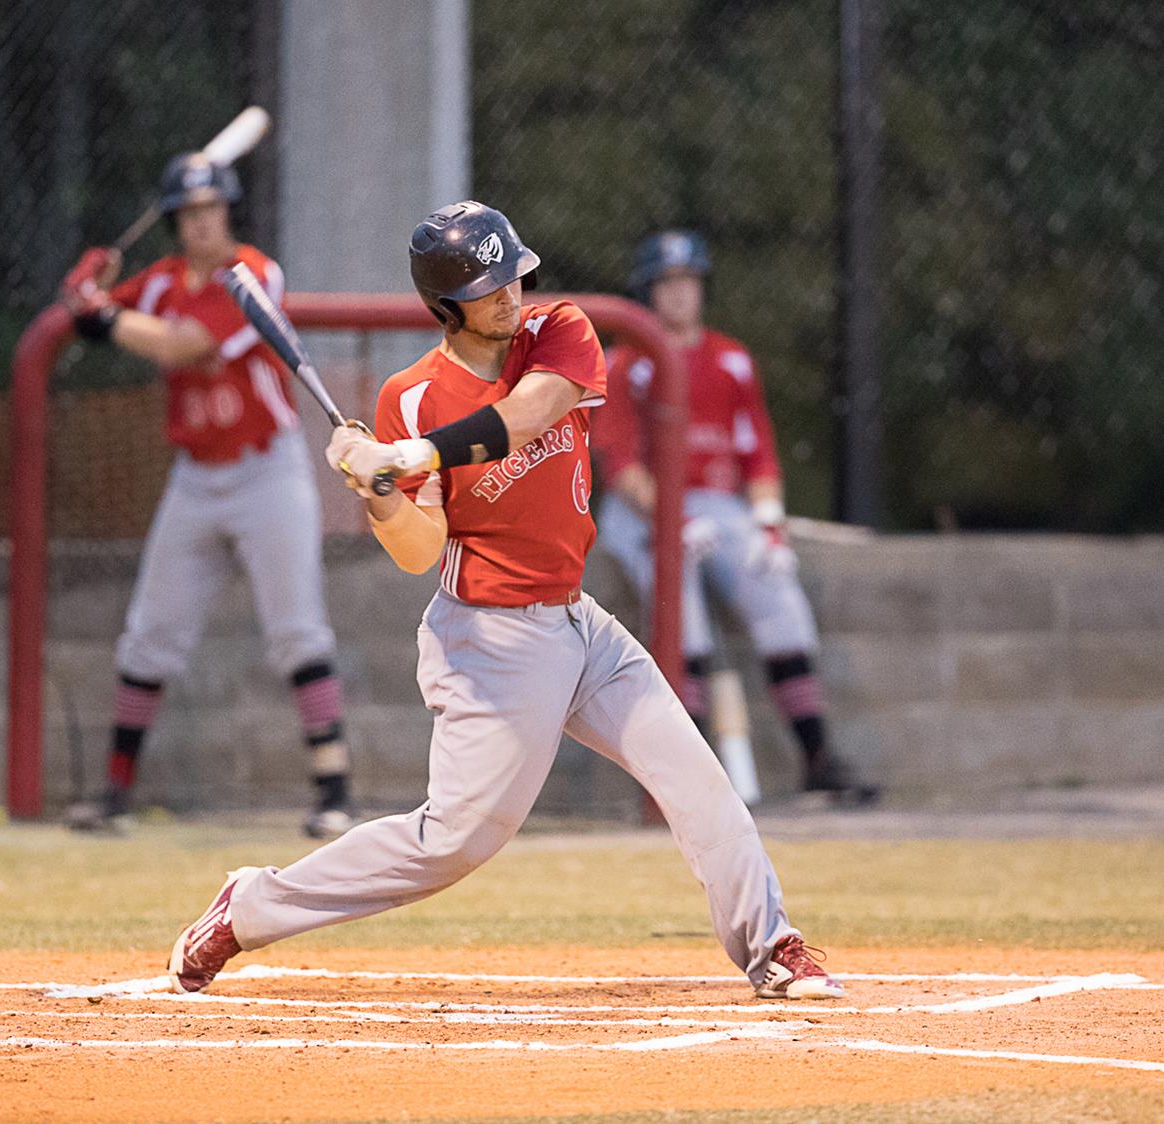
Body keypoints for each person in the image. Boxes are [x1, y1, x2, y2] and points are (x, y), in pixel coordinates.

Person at [164, 201, 846, 1002]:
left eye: (512, 276)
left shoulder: (558, 330)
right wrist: (380, 490)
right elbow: (421, 548)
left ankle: (770, 945)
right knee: (450, 845)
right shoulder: (409, 398)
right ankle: (250, 906)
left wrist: (414, 454)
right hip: (488, 639)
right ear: (445, 303)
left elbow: (533, 414)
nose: (509, 296)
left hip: (579, 623)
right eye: (488, 287)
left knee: (694, 776)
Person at [59, 151, 355, 838]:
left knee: (297, 627)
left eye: (210, 209)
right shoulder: (159, 281)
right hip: (195, 475)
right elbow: (100, 317)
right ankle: (114, 794)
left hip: (266, 472)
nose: (201, 223)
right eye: (188, 213)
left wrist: (101, 313)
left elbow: (180, 346)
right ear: (172, 221)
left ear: (229, 210)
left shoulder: (253, 274)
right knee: (149, 633)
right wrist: (83, 292)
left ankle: (334, 791)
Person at [594, 230, 878, 806]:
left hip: (717, 506)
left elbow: (758, 453)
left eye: (688, 281)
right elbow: (621, 466)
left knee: (775, 590)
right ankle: (690, 772)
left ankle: (818, 755)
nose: (679, 295)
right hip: (643, 508)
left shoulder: (730, 359)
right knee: (682, 609)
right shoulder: (624, 362)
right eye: (667, 283)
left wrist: (769, 522)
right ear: (648, 290)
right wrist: (670, 520)